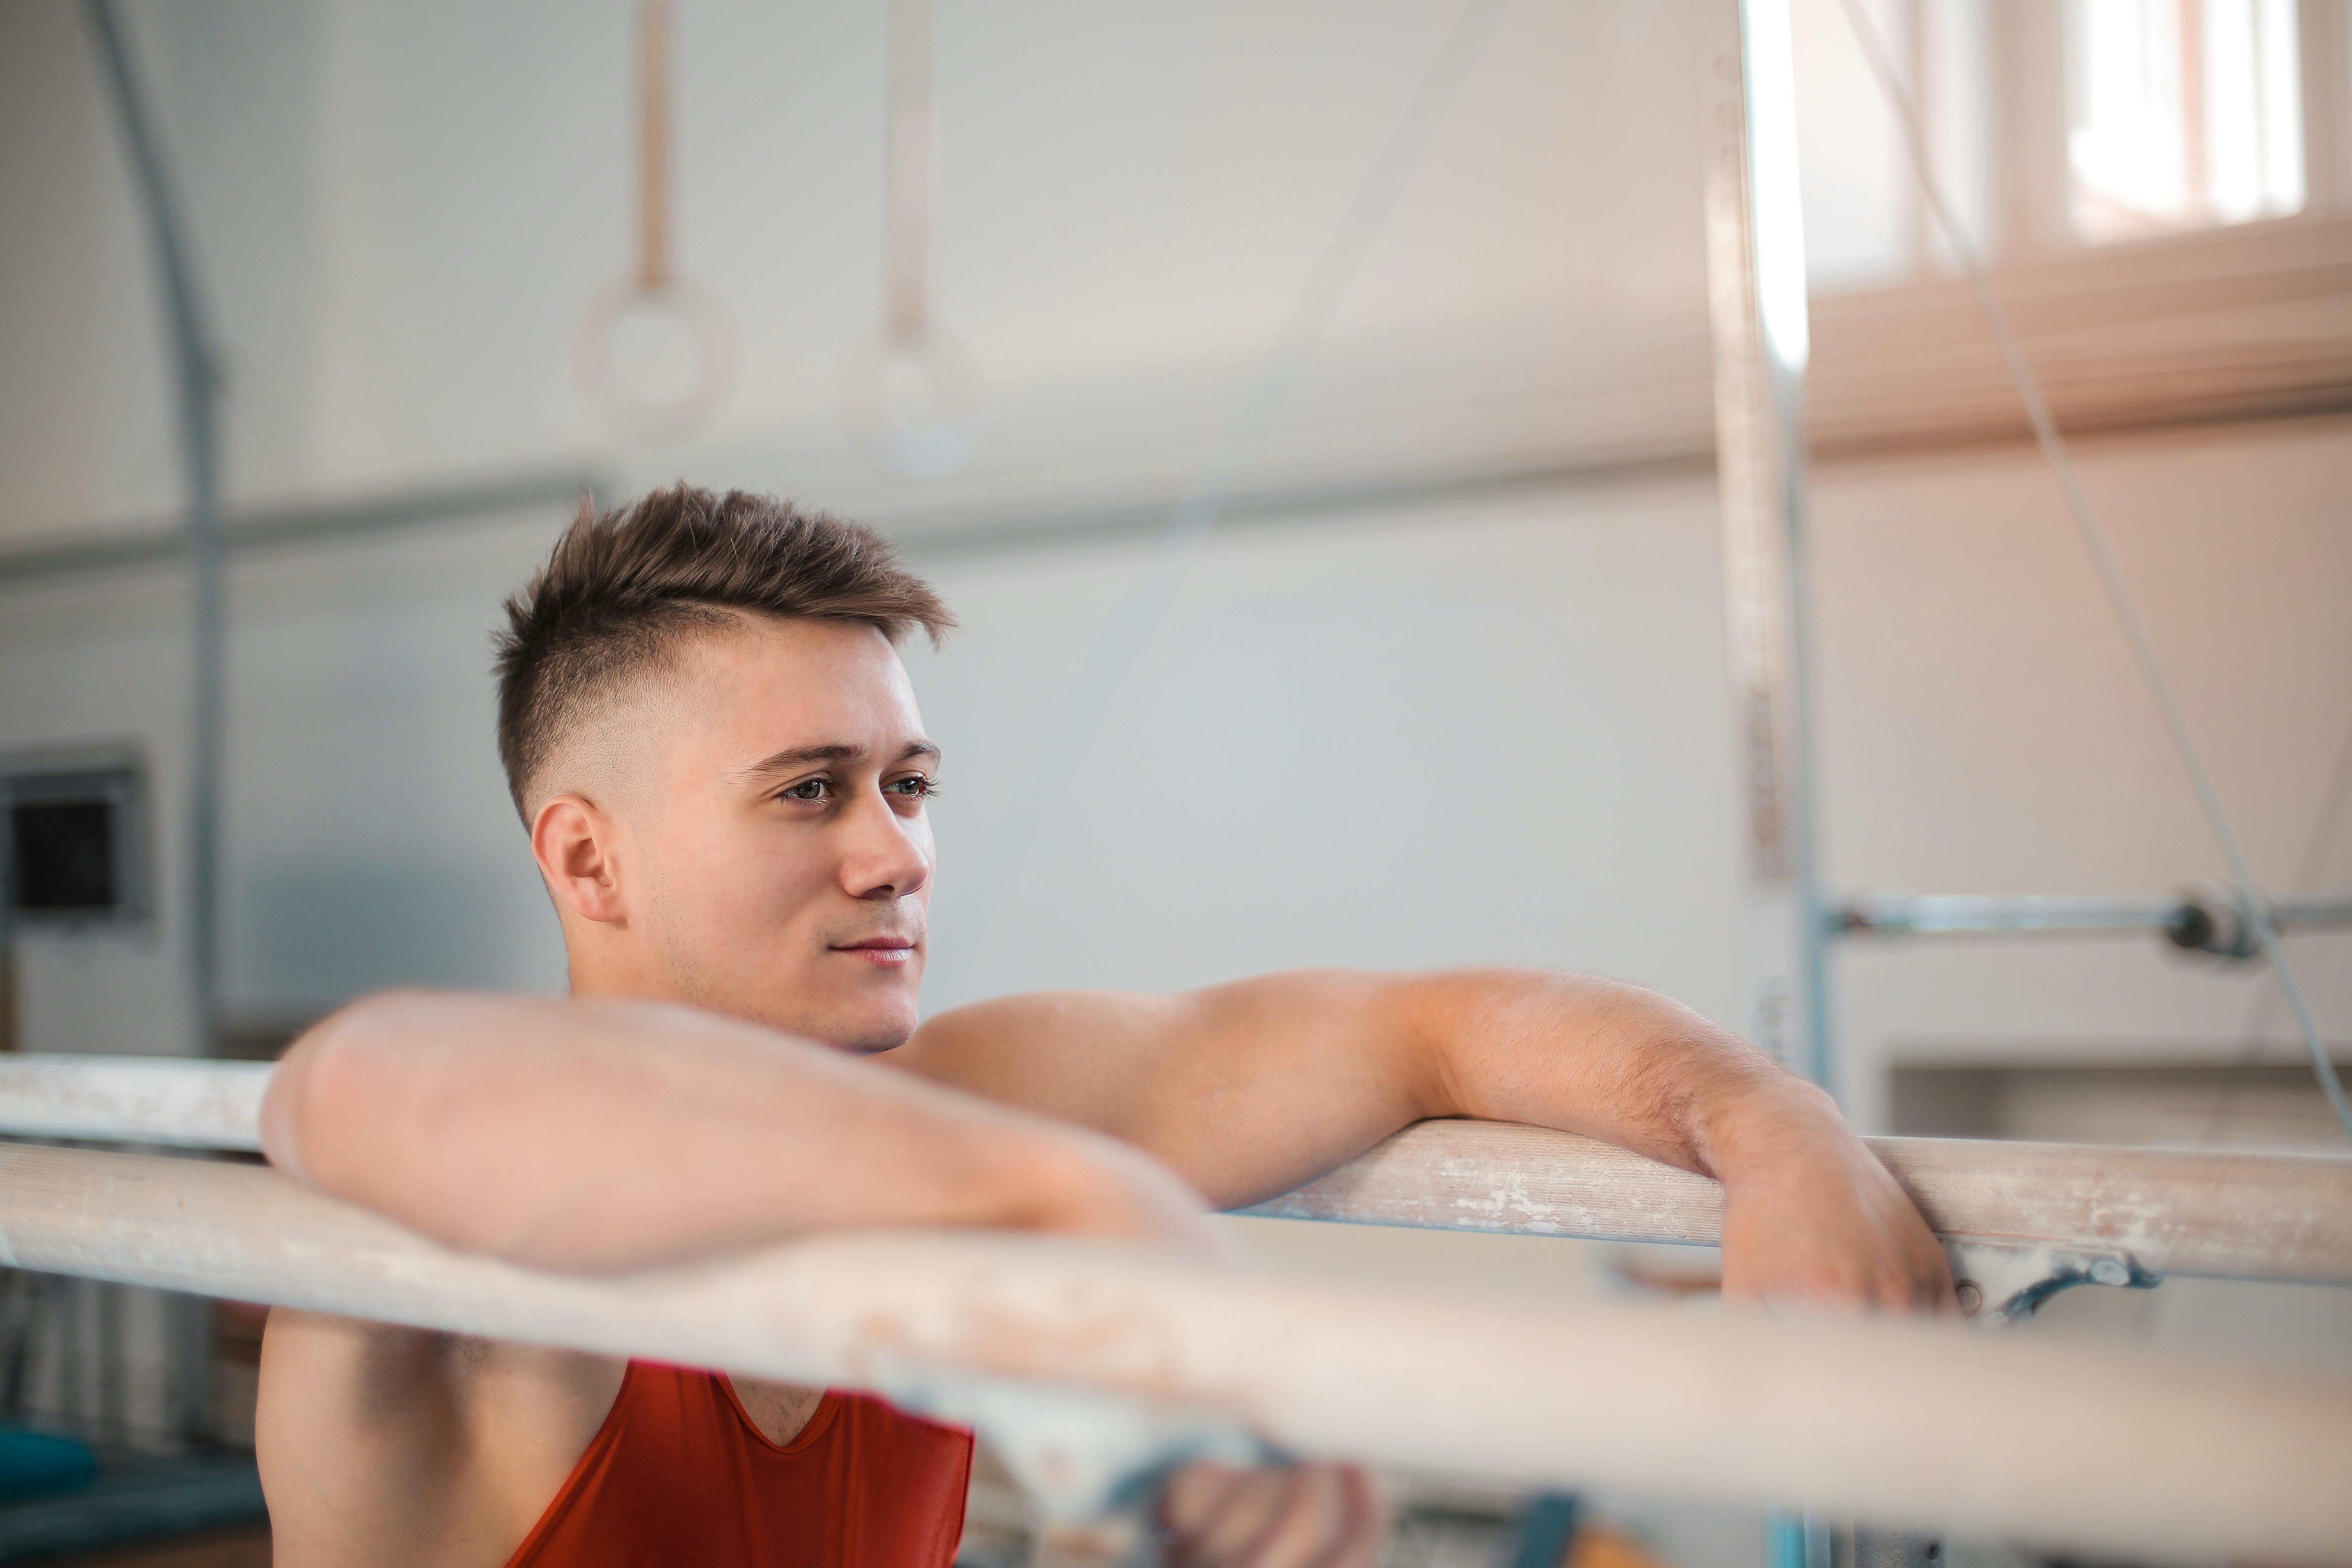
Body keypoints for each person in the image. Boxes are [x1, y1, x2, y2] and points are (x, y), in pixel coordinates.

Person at [255, 485, 1952, 1568]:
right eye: (809, 793)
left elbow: (1431, 1029)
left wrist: (1770, 1127)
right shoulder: (461, 1257)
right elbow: (347, 1087)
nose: (896, 851)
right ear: (586, 858)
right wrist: (1066, 1201)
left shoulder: (962, 1105)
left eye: (909, 785)